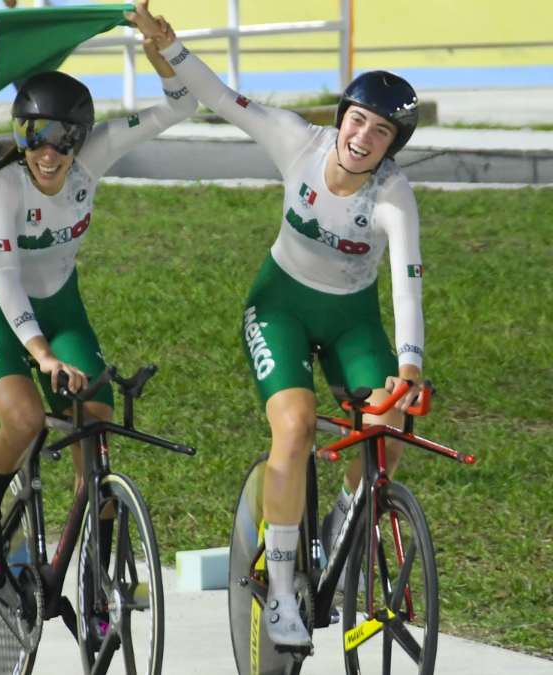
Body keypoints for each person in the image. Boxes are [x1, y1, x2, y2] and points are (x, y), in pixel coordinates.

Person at [128, 0, 426, 649]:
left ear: (392, 145)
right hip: (280, 305)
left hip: (354, 320)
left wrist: (410, 366)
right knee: (292, 427)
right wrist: (170, 47)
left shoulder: (394, 195)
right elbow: (224, 99)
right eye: (357, 120)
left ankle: (346, 528)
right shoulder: (300, 140)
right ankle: (283, 582)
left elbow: (407, 277)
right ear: (341, 117)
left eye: (380, 132)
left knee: (389, 426)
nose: (362, 137)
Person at [0, 28, 197, 640]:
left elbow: (182, 104)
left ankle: (94, 565)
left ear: (81, 140)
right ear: (19, 136)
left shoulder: (97, 155)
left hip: (62, 310)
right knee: (26, 420)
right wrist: (37, 353)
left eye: (63, 138)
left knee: (96, 422)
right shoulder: (0, 188)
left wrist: (160, 54)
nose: (48, 151)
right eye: (33, 135)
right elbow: (7, 280)